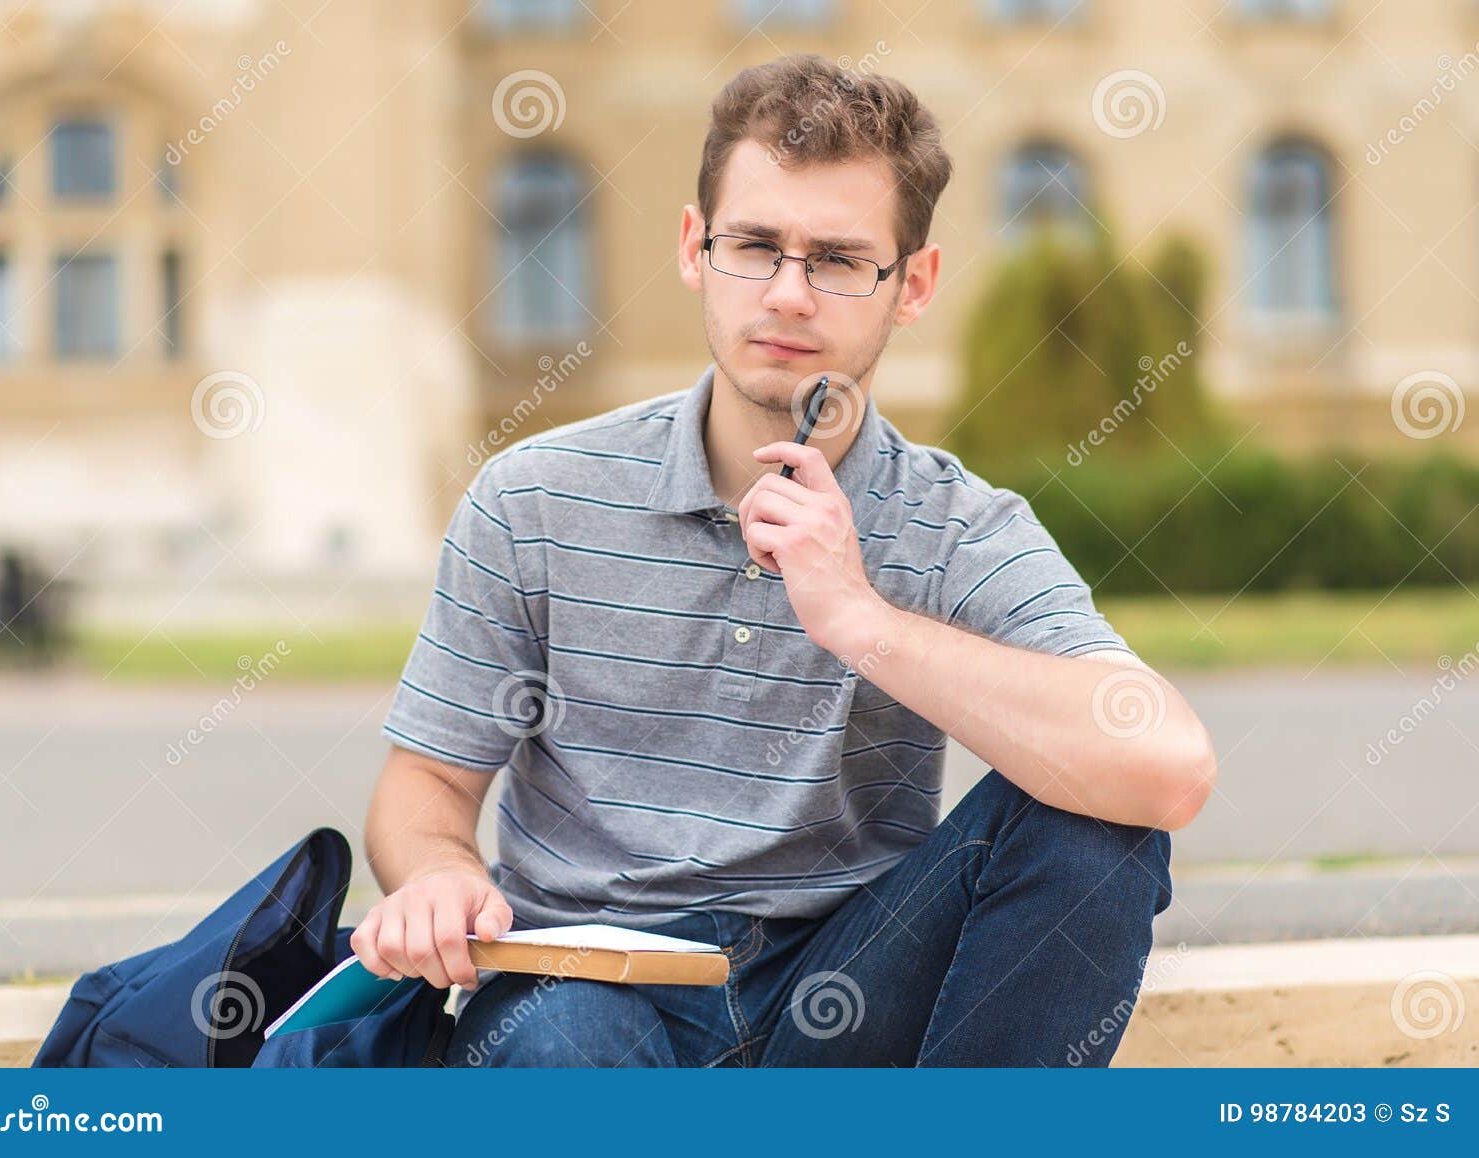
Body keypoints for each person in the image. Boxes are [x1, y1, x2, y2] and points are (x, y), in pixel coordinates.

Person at [351, 53, 1216, 1067]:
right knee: (567, 1053)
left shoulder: (954, 523)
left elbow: (1164, 766)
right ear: (693, 247)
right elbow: (424, 790)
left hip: (845, 995)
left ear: (913, 285)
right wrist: (436, 873)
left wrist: (860, 620)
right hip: (585, 990)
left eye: (841, 259)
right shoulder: (534, 496)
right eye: (755, 246)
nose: (789, 295)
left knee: (1093, 830)